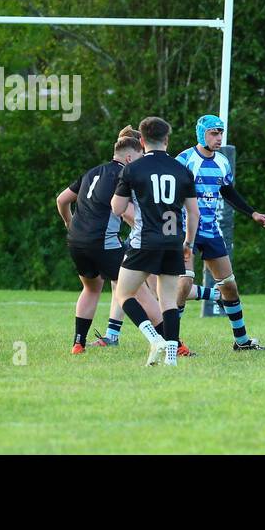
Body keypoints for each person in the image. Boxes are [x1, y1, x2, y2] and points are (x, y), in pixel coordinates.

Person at [174, 114, 265, 352]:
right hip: (186, 231)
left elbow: (228, 192)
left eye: (220, 133)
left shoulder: (222, 162)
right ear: (201, 134)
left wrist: (253, 213)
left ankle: (242, 341)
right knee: (184, 282)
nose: (219, 138)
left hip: (211, 232)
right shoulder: (185, 160)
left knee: (229, 286)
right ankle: (172, 341)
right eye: (214, 133)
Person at [108, 117, 199, 366]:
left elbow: (117, 208)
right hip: (174, 241)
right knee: (168, 301)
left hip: (144, 241)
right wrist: (188, 243)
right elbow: (194, 213)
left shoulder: (133, 169)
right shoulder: (182, 169)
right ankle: (171, 357)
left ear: (141, 140)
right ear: (167, 140)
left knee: (125, 294)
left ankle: (154, 339)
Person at [57, 135, 142, 354]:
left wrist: (69, 221)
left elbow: (62, 200)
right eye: (141, 156)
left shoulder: (92, 172)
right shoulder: (124, 175)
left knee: (91, 288)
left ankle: (78, 343)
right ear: (130, 157)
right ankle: (169, 341)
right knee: (136, 288)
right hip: (103, 243)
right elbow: (126, 211)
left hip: (76, 240)